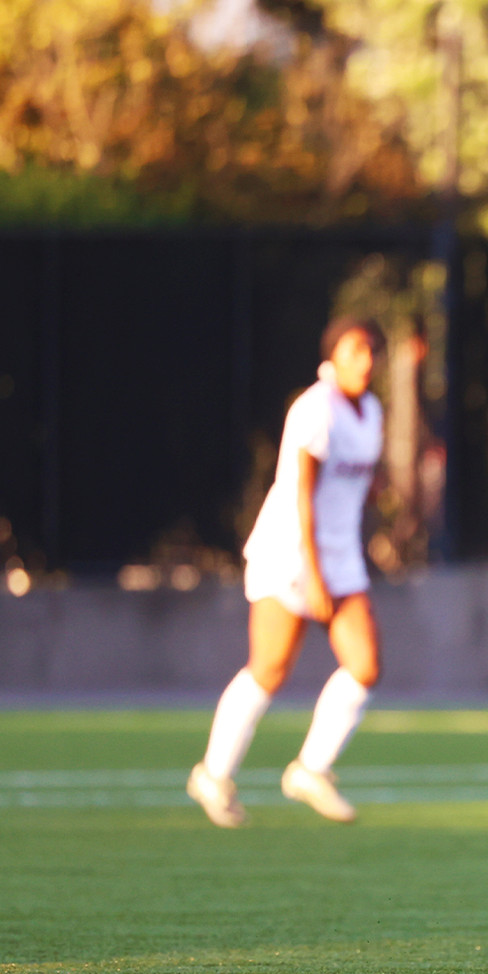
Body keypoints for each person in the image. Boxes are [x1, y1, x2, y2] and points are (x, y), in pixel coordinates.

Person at [186, 317, 386, 828]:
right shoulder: (315, 408)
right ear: (332, 356)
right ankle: (212, 774)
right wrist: (314, 575)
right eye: (354, 350)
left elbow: (356, 488)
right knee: (270, 667)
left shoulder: (372, 412)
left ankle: (310, 769)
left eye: (371, 352)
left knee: (364, 665)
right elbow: (302, 493)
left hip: (340, 555)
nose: (364, 361)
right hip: (291, 551)